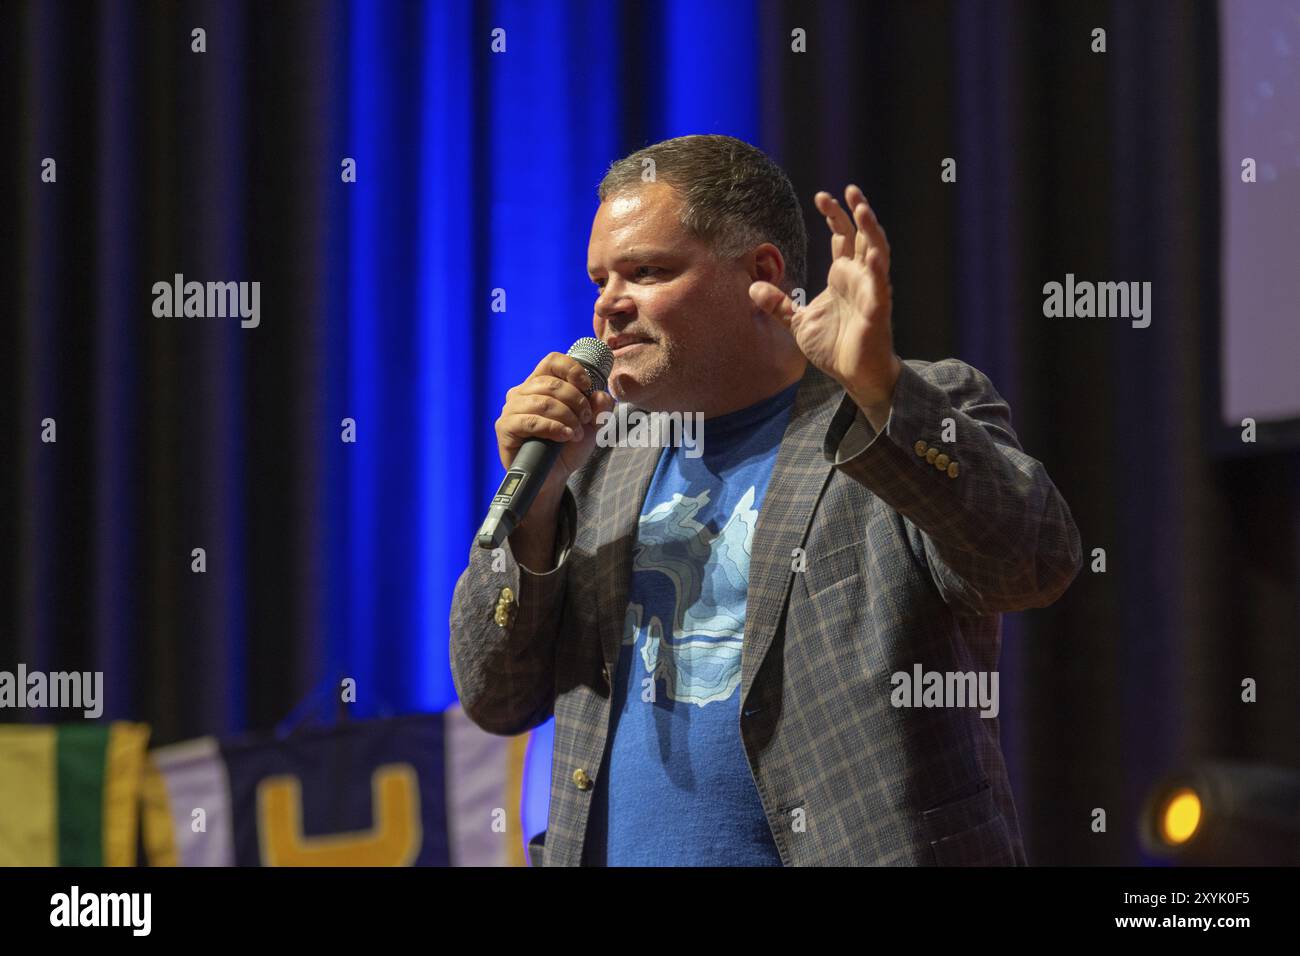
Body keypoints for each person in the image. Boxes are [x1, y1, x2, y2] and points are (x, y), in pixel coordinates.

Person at [449, 134, 1082, 866]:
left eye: (647, 271)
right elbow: (494, 697)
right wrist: (534, 514)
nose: (609, 307)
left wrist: (882, 393)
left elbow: (1033, 563)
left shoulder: (894, 412)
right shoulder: (594, 461)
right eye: (599, 281)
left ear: (762, 274)